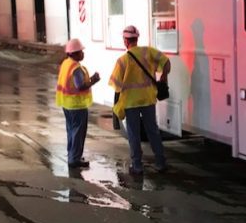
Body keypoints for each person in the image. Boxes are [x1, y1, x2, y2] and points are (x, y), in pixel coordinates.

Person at [109, 25, 170, 175]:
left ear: (125, 41)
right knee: (153, 131)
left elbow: (116, 85)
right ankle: (160, 162)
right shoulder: (148, 52)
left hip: (131, 103)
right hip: (148, 99)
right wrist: (163, 76)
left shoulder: (122, 61)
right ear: (137, 38)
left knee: (134, 134)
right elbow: (166, 63)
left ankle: (137, 166)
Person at [56, 38, 100, 169]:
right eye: (81, 51)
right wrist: (94, 79)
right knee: (78, 133)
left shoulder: (65, 63)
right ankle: (74, 159)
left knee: (71, 131)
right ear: (75, 53)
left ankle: (72, 156)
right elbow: (80, 86)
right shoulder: (75, 68)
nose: (83, 54)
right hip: (77, 106)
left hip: (67, 104)